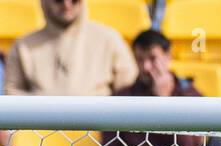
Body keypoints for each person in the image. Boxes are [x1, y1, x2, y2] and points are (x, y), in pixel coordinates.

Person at [98, 31, 205, 146]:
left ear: (168, 56)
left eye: (153, 59)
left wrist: (164, 102)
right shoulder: (123, 98)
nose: (146, 67)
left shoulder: (190, 97)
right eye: (140, 60)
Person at [4, 0, 136, 96]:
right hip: (40, 130)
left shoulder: (110, 38)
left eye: (74, 0)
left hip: (98, 128)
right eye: (58, 0)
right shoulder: (23, 45)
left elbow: (128, 87)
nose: (66, 4)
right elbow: (12, 91)